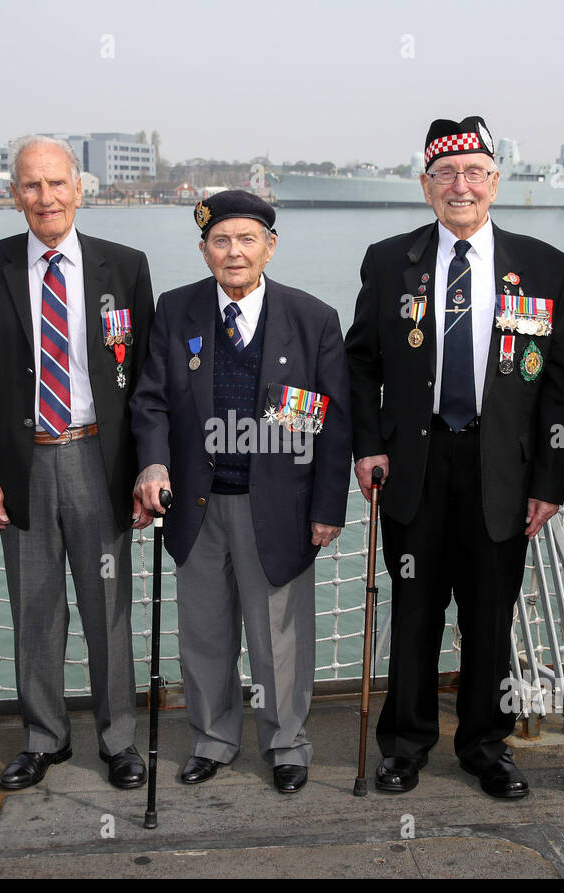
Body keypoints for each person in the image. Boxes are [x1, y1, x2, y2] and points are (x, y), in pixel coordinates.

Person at [345, 117, 564, 798]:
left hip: (500, 470)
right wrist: (368, 446)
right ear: (425, 185)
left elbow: (558, 386)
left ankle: (485, 744)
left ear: (496, 182)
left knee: (489, 615)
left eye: (475, 171)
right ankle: (406, 743)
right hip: (415, 466)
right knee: (415, 610)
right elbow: (361, 362)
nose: (461, 185)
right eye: (446, 173)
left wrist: (550, 480)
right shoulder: (390, 261)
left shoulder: (544, 267)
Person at [131, 191, 350, 793]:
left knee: (279, 636)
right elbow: (149, 401)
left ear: (270, 247)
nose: (234, 252)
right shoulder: (176, 312)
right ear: (204, 250)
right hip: (196, 508)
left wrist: (328, 508)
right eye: (221, 241)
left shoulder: (313, 319)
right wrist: (151, 466)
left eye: (247, 239)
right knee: (204, 634)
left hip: (278, 507)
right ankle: (213, 738)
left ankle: (286, 744)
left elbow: (333, 424)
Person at [0, 136, 154, 791]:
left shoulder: (125, 267)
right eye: (31, 186)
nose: (46, 198)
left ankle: (119, 738)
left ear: (79, 188)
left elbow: (148, 382)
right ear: (14, 195)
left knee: (109, 609)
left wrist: (149, 466)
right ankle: (43, 737)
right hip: (25, 467)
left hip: (102, 460)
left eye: (57, 184)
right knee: (35, 611)